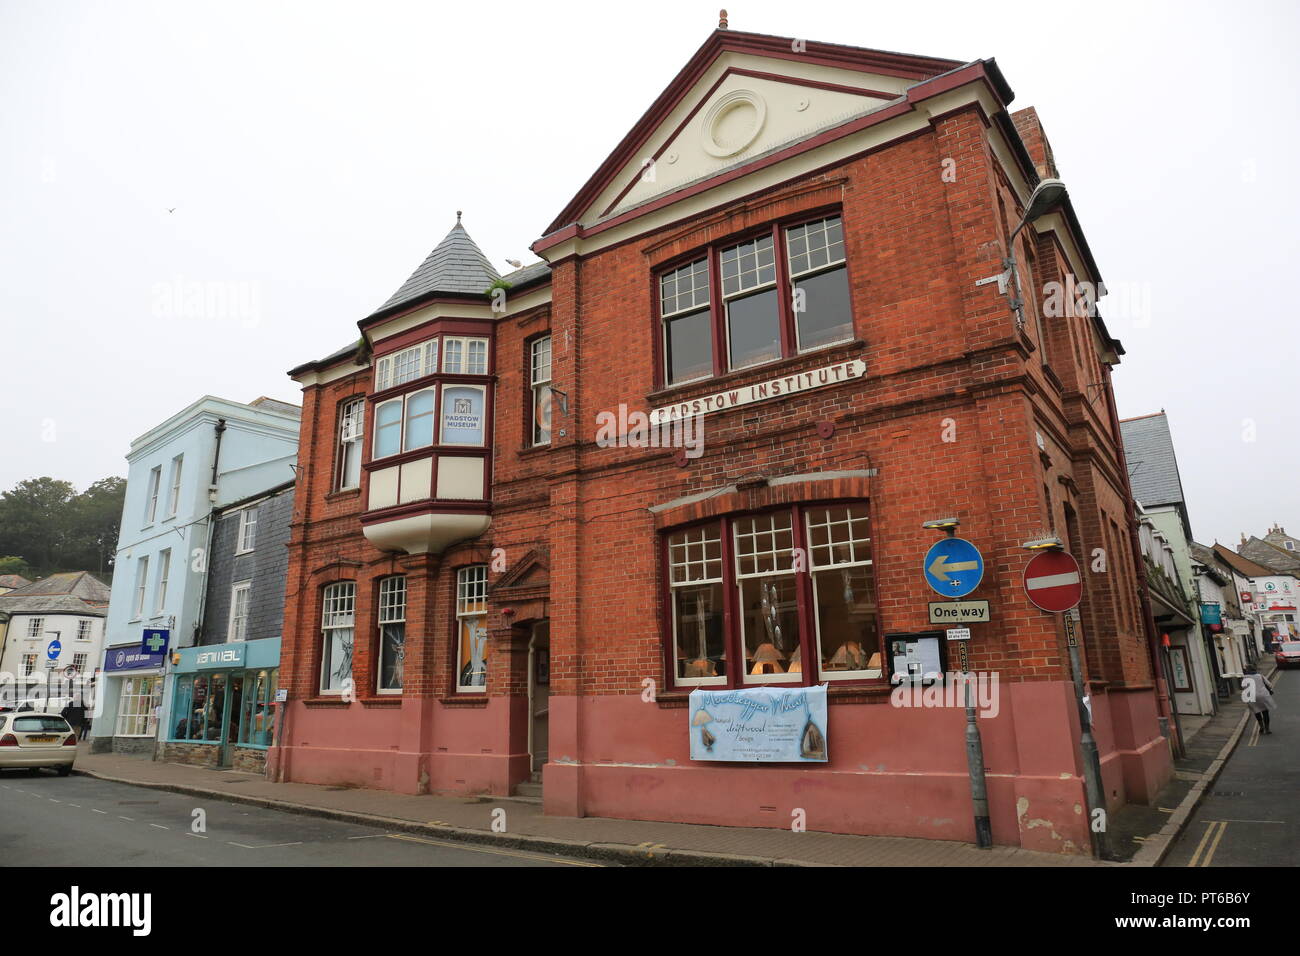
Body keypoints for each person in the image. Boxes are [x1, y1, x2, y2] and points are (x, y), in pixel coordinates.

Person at [1242, 664, 1277, 735]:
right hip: (1263, 695)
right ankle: (1267, 729)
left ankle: (1261, 727)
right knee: (1265, 712)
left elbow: (1243, 687)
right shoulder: (1260, 676)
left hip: (1252, 696)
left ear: (1247, 670)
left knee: (1257, 711)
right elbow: (1269, 685)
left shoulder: (1245, 677)